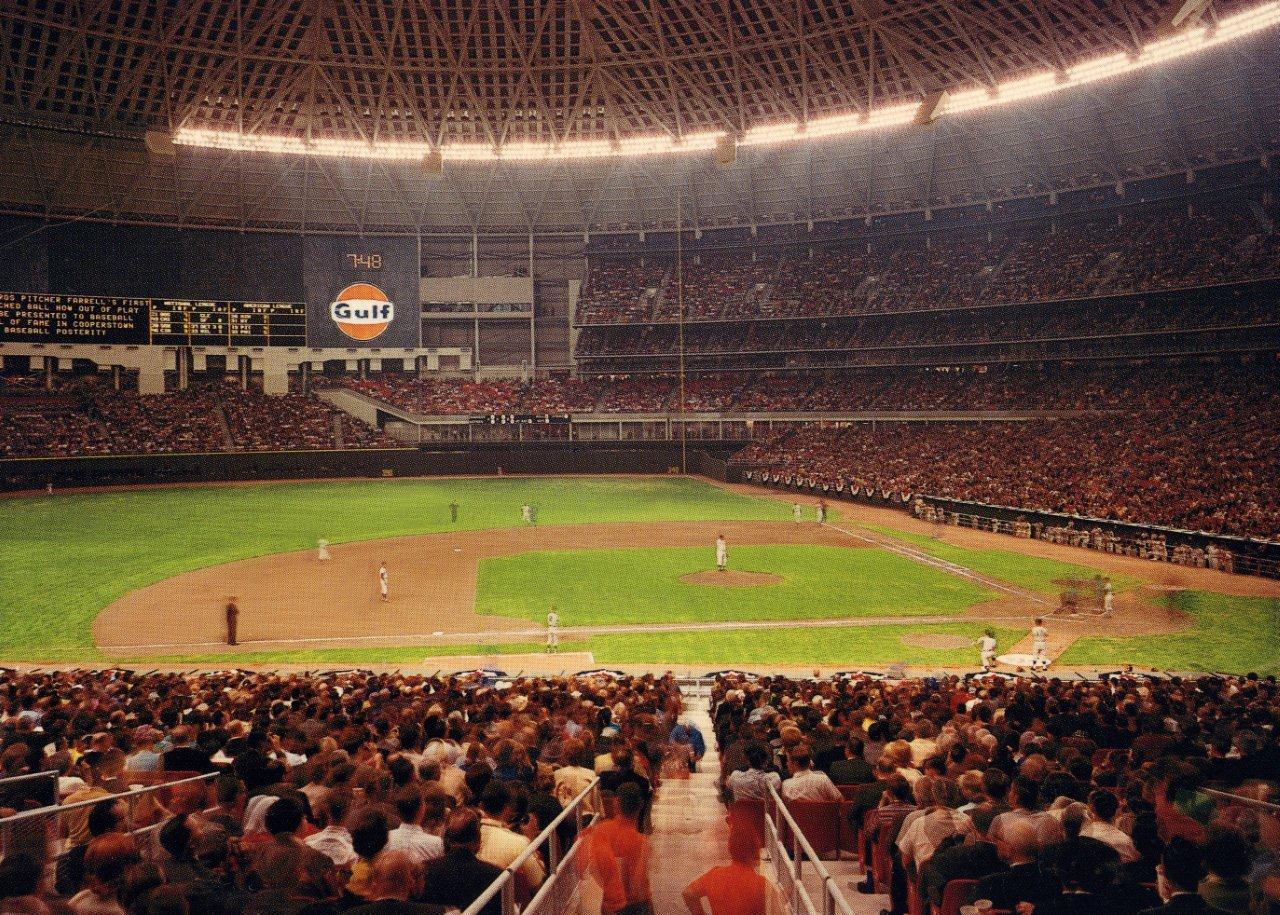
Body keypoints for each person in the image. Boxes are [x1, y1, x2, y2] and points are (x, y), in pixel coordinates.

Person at [683, 814, 790, 915]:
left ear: (731, 848)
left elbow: (688, 893)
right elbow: (777, 910)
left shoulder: (714, 875)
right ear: (754, 851)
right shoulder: (761, 884)